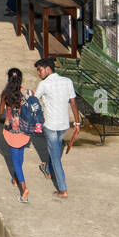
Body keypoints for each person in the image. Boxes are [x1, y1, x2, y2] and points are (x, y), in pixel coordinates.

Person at [34, 56, 80, 198]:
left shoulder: (43, 85)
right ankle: (48, 170)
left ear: (48, 69)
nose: (38, 73)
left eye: (40, 70)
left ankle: (62, 189)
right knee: (56, 147)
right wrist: (77, 123)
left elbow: (34, 102)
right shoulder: (67, 81)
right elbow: (73, 102)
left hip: (50, 125)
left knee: (55, 156)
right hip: (64, 124)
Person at [0, 68, 33, 202]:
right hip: (25, 129)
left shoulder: (6, 94)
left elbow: (1, 111)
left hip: (12, 130)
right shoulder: (28, 92)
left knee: (15, 161)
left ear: (9, 79)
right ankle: (16, 177)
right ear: (21, 78)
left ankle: (24, 188)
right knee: (20, 156)